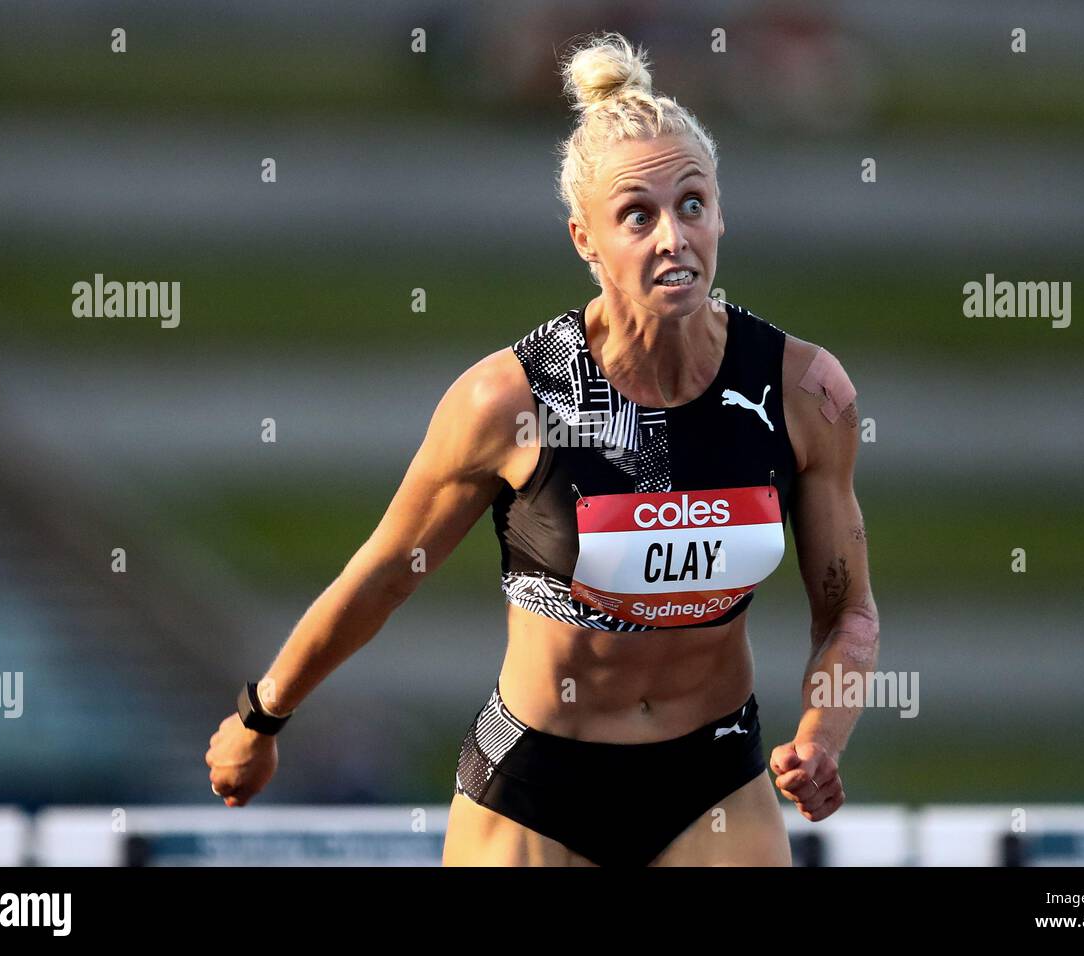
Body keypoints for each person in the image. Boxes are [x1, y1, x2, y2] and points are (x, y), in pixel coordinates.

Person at [205, 31, 879, 867]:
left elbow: (849, 614)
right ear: (584, 240)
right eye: (638, 215)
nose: (673, 237)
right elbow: (381, 576)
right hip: (537, 783)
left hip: (716, 775)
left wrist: (824, 735)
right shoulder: (509, 400)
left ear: (720, 214)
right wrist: (261, 715)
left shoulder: (807, 393)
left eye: (693, 204)